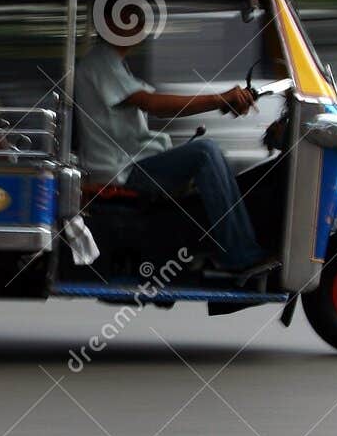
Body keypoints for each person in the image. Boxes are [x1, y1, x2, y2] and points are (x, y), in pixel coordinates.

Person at [75, 16, 268, 275]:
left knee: (211, 156)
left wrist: (221, 102)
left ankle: (221, 248)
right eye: (131, 16)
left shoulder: (114, 65)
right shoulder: (101, 62)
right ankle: (240, 254)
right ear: (110, 23)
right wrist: (218, 99)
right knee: (205, 153)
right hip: (120, 170)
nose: (142, 25)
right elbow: (155, 105)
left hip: (131, 161)